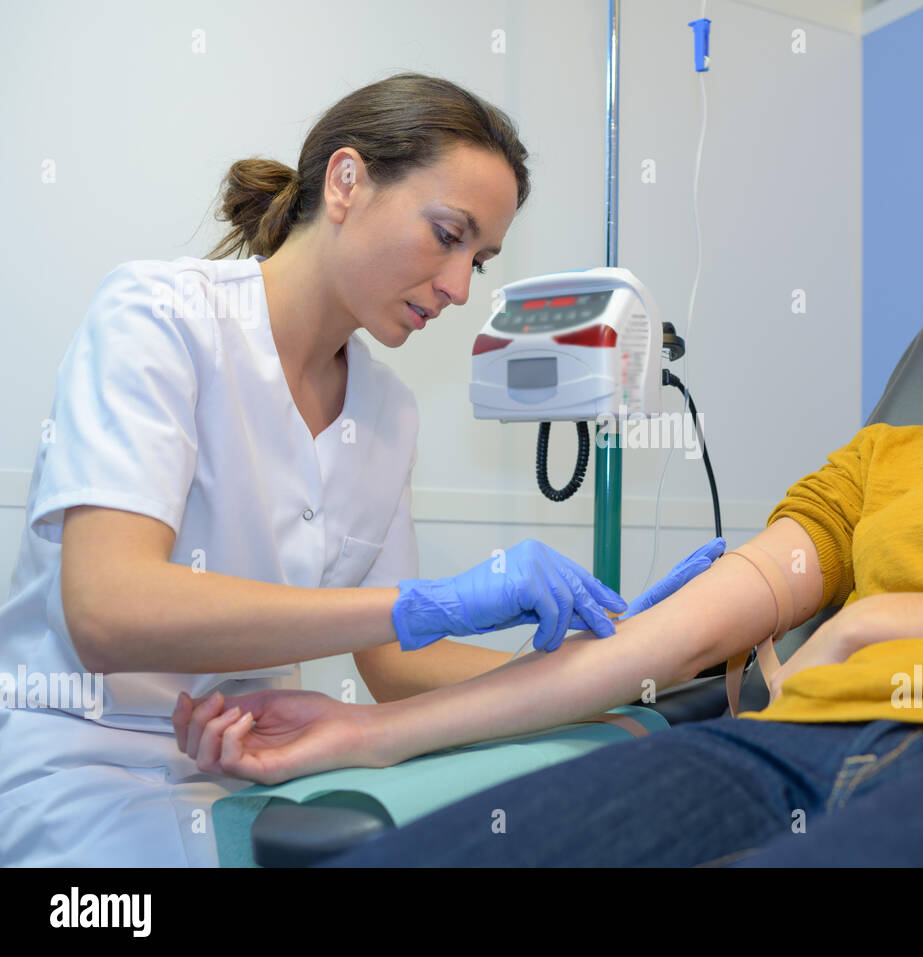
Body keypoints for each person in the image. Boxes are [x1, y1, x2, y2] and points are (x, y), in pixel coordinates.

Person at [175, 108, 923, 867]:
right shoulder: (891, 457)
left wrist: (889, 619)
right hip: (785, 747)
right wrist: (367, 735)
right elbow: (641, 653)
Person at [0, 72, 719, 868]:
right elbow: (108, 610)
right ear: (346, 182)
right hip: (83, 777)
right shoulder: (160, 320)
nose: (455, 287)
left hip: (253, 772)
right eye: (449, 234)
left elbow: (398, 667)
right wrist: (426, 601)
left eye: (478, 260)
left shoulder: (386, 408)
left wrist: (617, 659)